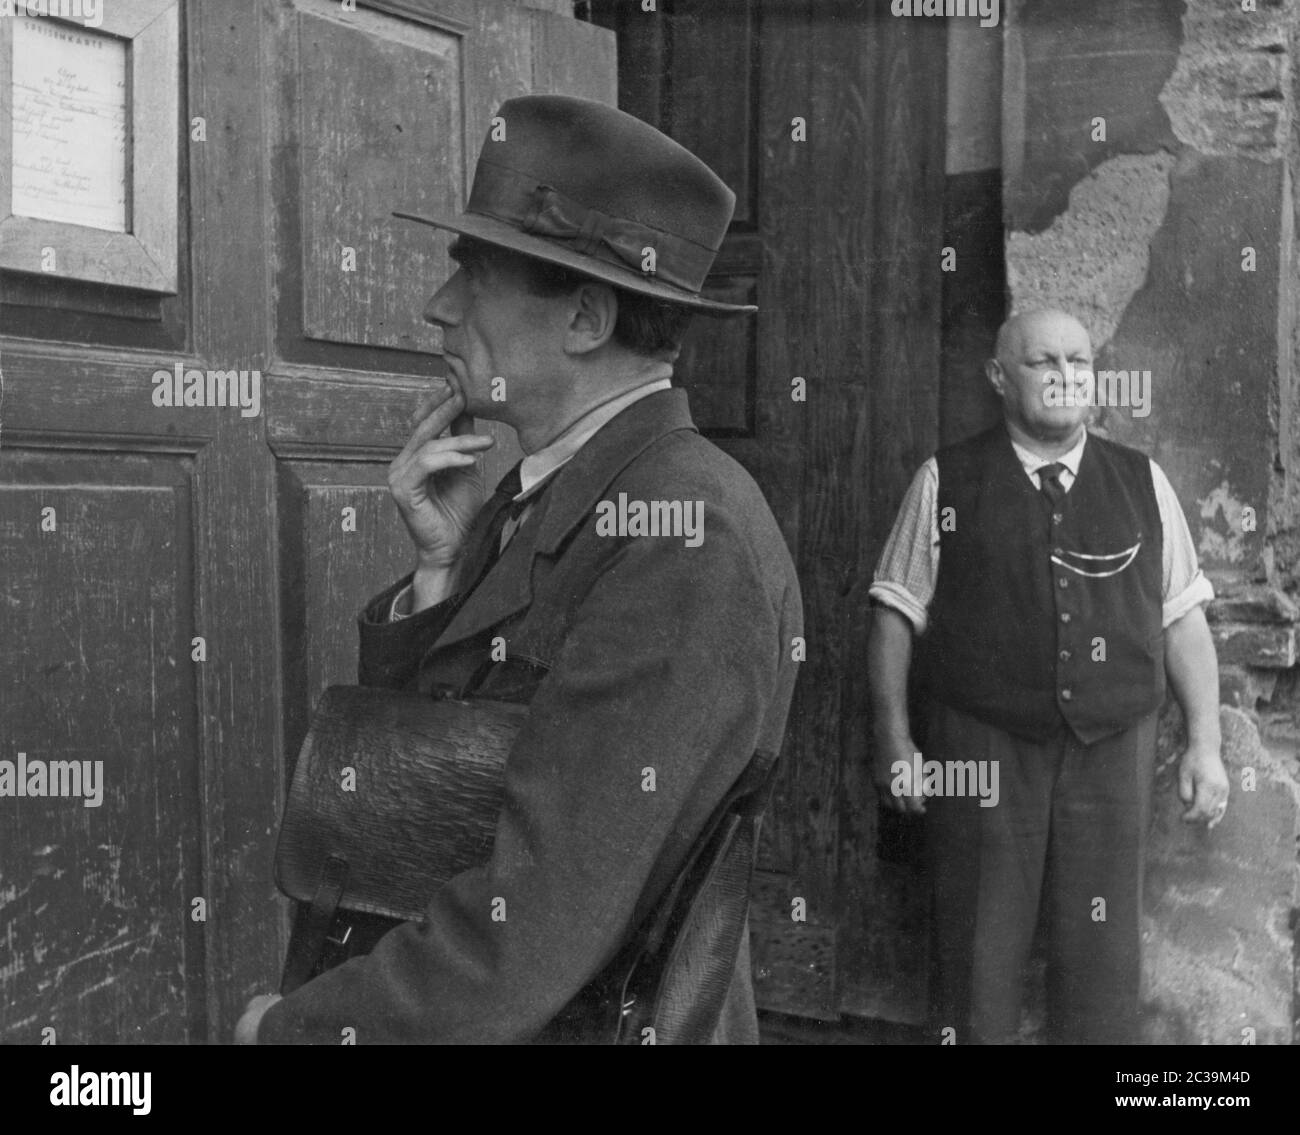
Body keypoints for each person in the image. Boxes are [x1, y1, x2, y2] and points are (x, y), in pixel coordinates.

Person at [234, 95, 801, 1044]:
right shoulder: (556, 487)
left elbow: (529, 928)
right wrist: (439, 574)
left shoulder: (686, 539)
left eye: (477, 273)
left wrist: (289, 1030)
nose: (437, 307)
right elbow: (426, 799)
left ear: (585, 316)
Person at [867, 309, 1228, 1045]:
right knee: (978, 951)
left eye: (1078, 362)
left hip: (1111, 749)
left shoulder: (1141, 482)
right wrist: (895, 743)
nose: (1065, 376)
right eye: (1043, 362)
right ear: (1000, 377)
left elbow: (1184, 619)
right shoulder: (946, 481)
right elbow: (894, 613)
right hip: (984, 747)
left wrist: (1207, 745)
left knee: (1103, 961)